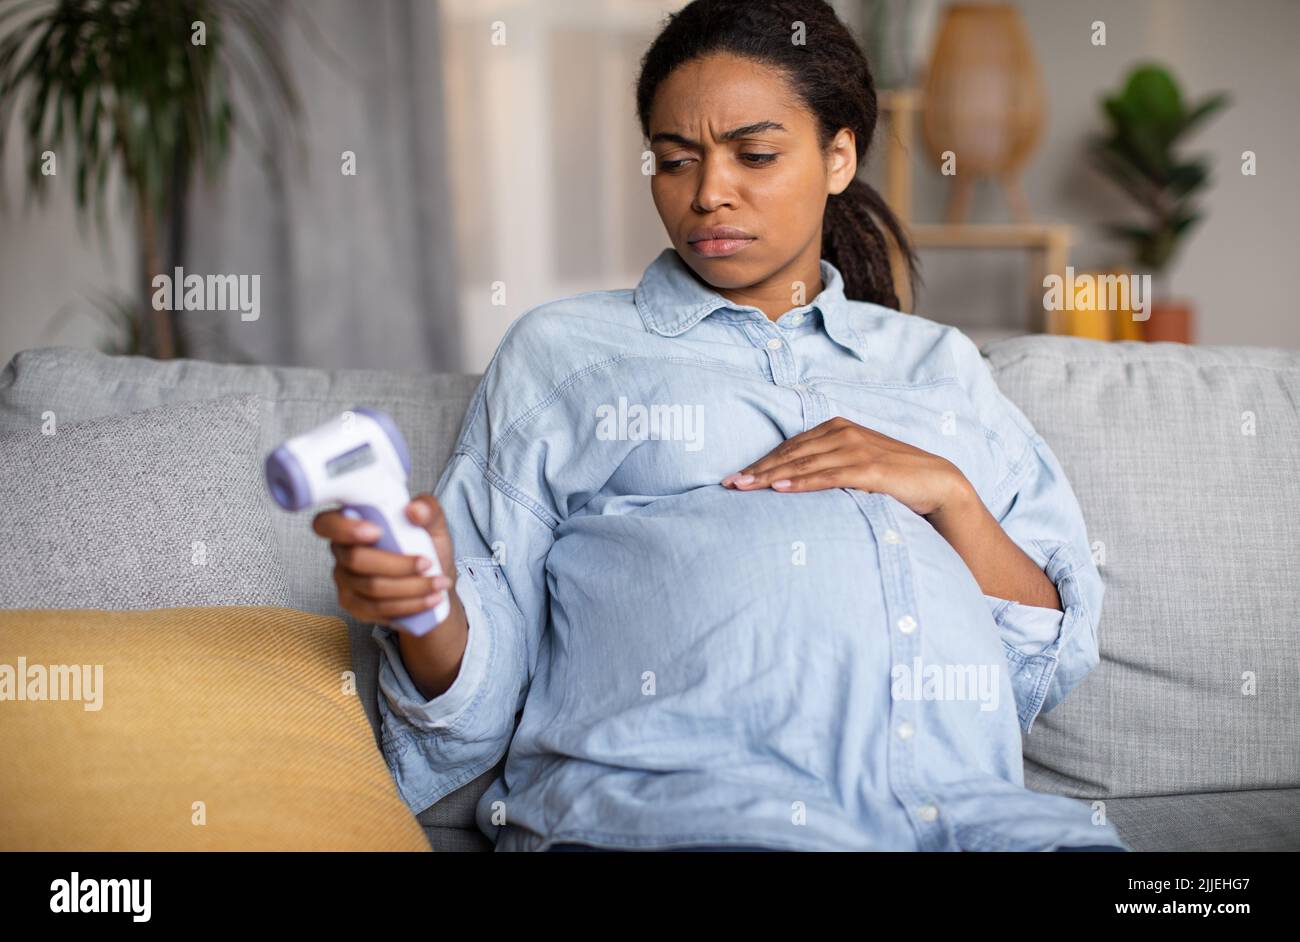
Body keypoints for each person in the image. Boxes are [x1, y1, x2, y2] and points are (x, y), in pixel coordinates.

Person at [311, 0, 1128, 852]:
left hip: (973, 820)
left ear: (839, 155)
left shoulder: (940, 368)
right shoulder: (568, 354)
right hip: (686, 815)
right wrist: (423, 606)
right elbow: (480, 692)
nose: (707, 193)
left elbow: (1047, 652)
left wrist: (949, 496)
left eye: (757, 154)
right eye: (674, 160)